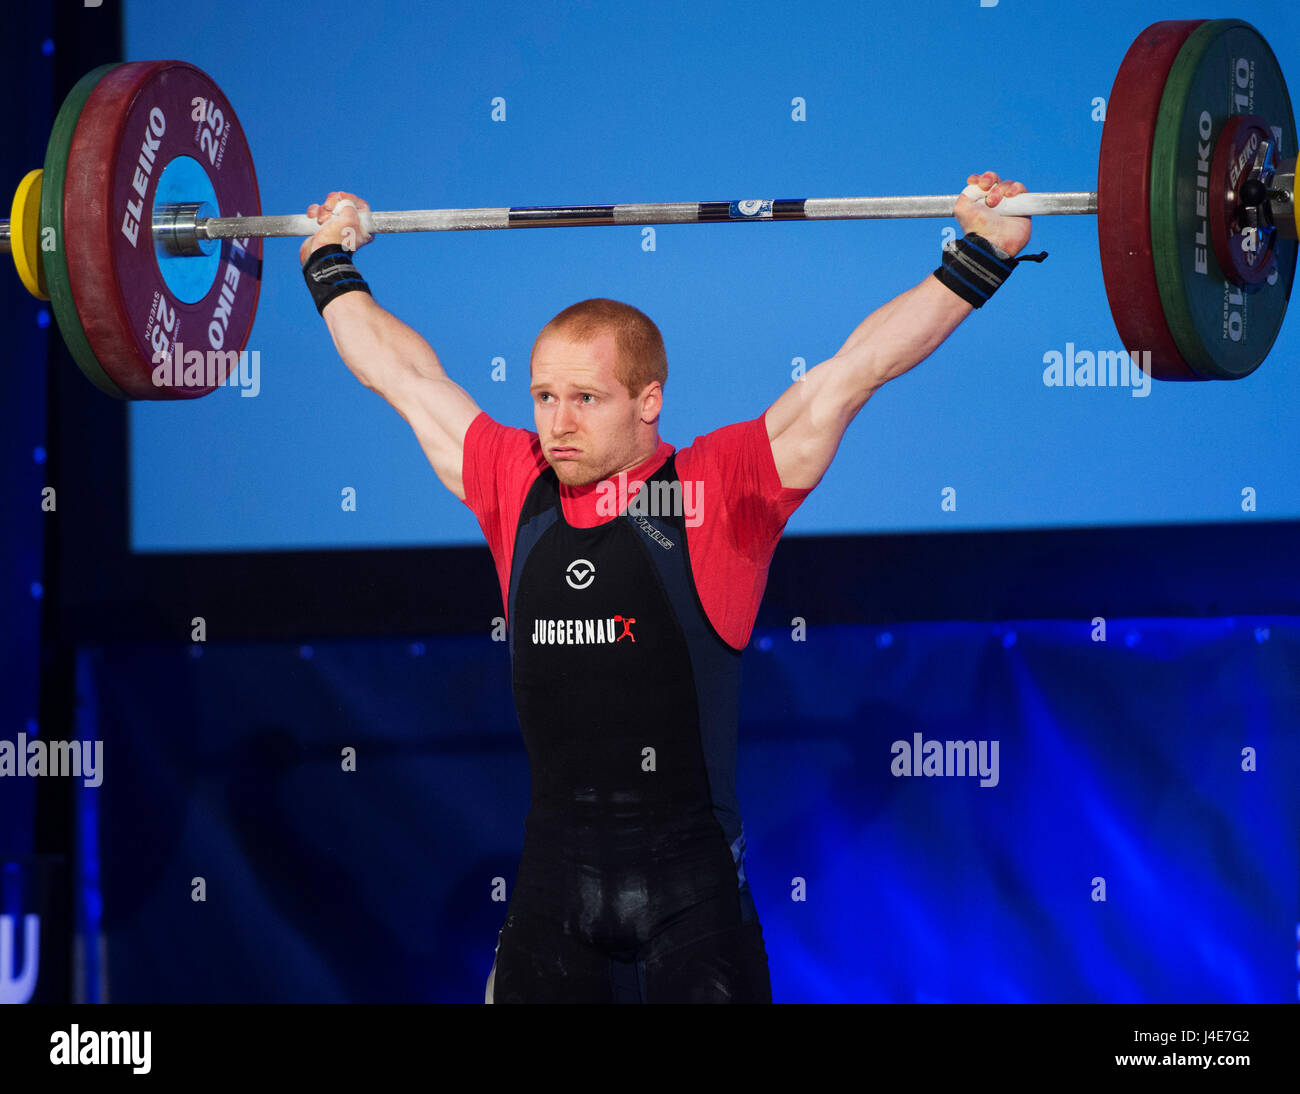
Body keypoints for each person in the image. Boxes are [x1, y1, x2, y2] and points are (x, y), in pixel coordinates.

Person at [298, 172, 1035, 1002]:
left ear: (649, 401)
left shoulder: (720, 488)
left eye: (585, 398)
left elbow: (852, 372)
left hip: (695, 896)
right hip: (551, 891)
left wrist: (982, 253)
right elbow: (405, 378)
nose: (557, 421)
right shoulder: (514, 481)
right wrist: (330, 259)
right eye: (543, 396)